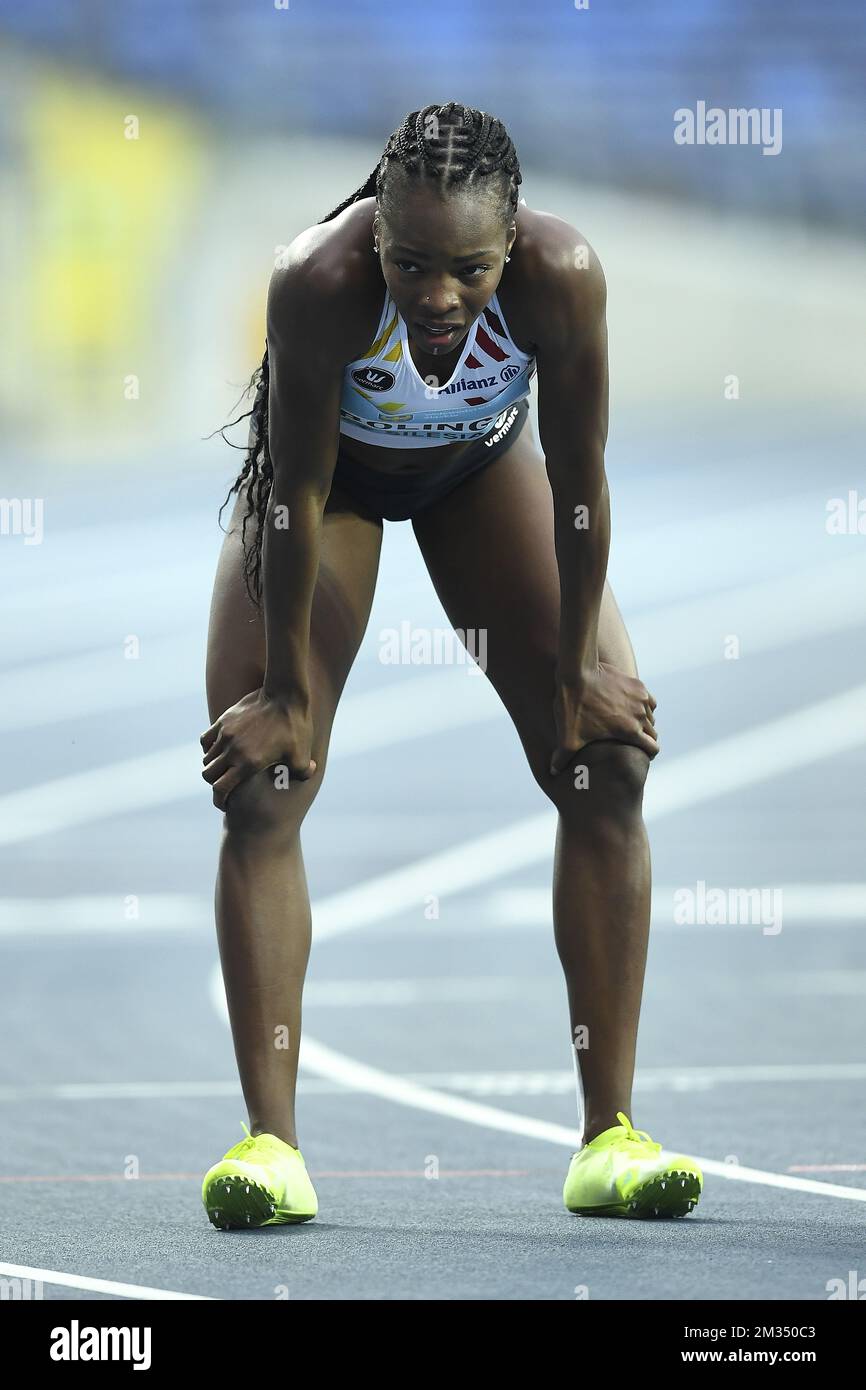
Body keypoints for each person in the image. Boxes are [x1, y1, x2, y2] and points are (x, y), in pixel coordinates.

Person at [199, 102, 703, 1228]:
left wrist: (576, 669)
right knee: (267, 783)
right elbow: (292, 493)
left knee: (606, 762)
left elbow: (580, 479)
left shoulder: (560, 278)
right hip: (332, 494)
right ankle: (270, 1147)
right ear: (375, 234)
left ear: (512, 241)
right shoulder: (317, 283)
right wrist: (283, 696)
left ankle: (607, 1136)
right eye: (410, 263)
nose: (434, 297)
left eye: (467, 270)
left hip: (478, 475)